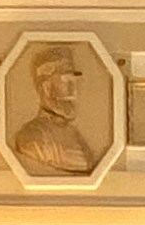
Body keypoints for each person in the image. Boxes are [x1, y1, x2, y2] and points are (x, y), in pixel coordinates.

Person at [10, 44, 99, 176]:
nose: (73, 90)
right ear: (46, 88)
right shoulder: (33, 137)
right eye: (66, 81)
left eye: (74, 81)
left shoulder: (76, 135)